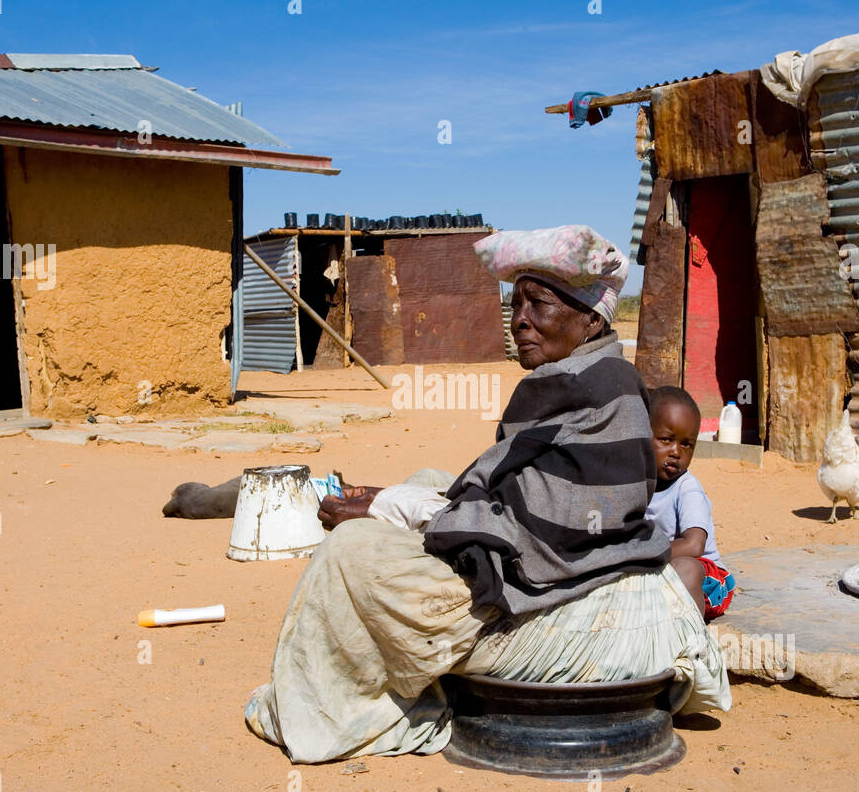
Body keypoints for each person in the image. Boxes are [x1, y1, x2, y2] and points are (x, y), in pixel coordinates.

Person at [244, 225, 730, 763]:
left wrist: (395, 509)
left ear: (590, 317)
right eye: (515, 302)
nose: (519, 319)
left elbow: (543, 535)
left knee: (349, 553)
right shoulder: (579, 378)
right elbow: (521, 490)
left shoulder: (604, 392)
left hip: (551, 580)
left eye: (539, 303)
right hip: (560, 559)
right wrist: (409, 501)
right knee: (426, 477)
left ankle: (330, 713)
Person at [646, 386, 736, 621]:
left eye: (687, 444)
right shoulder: (633, 485)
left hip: (709, 581)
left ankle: (691, 642)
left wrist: (640, 553)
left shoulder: (687, 489)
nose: (676, 452)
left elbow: (695, 546)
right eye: (666, 439)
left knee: (684, 568)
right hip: (659, 570)